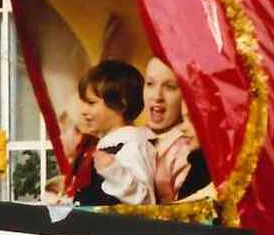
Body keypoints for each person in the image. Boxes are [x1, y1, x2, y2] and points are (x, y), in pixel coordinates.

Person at [64, 60, 157, 207]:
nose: (83, 111)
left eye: (91, 103)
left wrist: (113, 170)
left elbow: (144, 201)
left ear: (121, 103)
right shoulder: (105, 147)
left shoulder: (132, 146)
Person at [143, 57, 211, 203]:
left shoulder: (190, 147)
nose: (157, 96)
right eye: (150, 84)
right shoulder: (133, 136)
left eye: (170, 87)